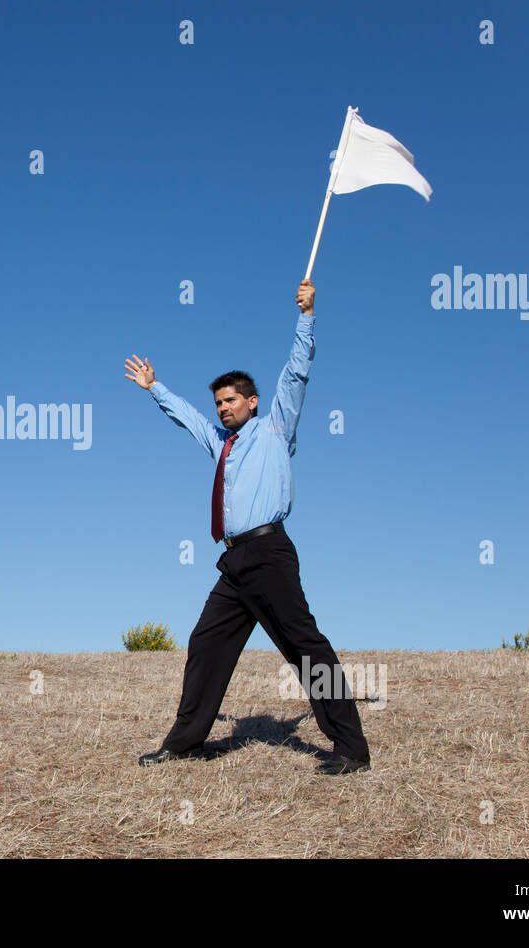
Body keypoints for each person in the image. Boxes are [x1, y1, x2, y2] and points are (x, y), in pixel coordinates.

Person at [123, 279, 371, 775]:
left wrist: (307, 316)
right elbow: (189, 419)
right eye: (219, 403)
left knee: (305, 647)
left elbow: (296, 373)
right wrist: (156, 389)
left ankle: (351, 749)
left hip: (269, 552)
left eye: (230, 401)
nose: (222, 409)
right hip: (234, 560)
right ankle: (185, 742)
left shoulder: (276, 427)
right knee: (206, 643)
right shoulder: (222, 443)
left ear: (252, 402)